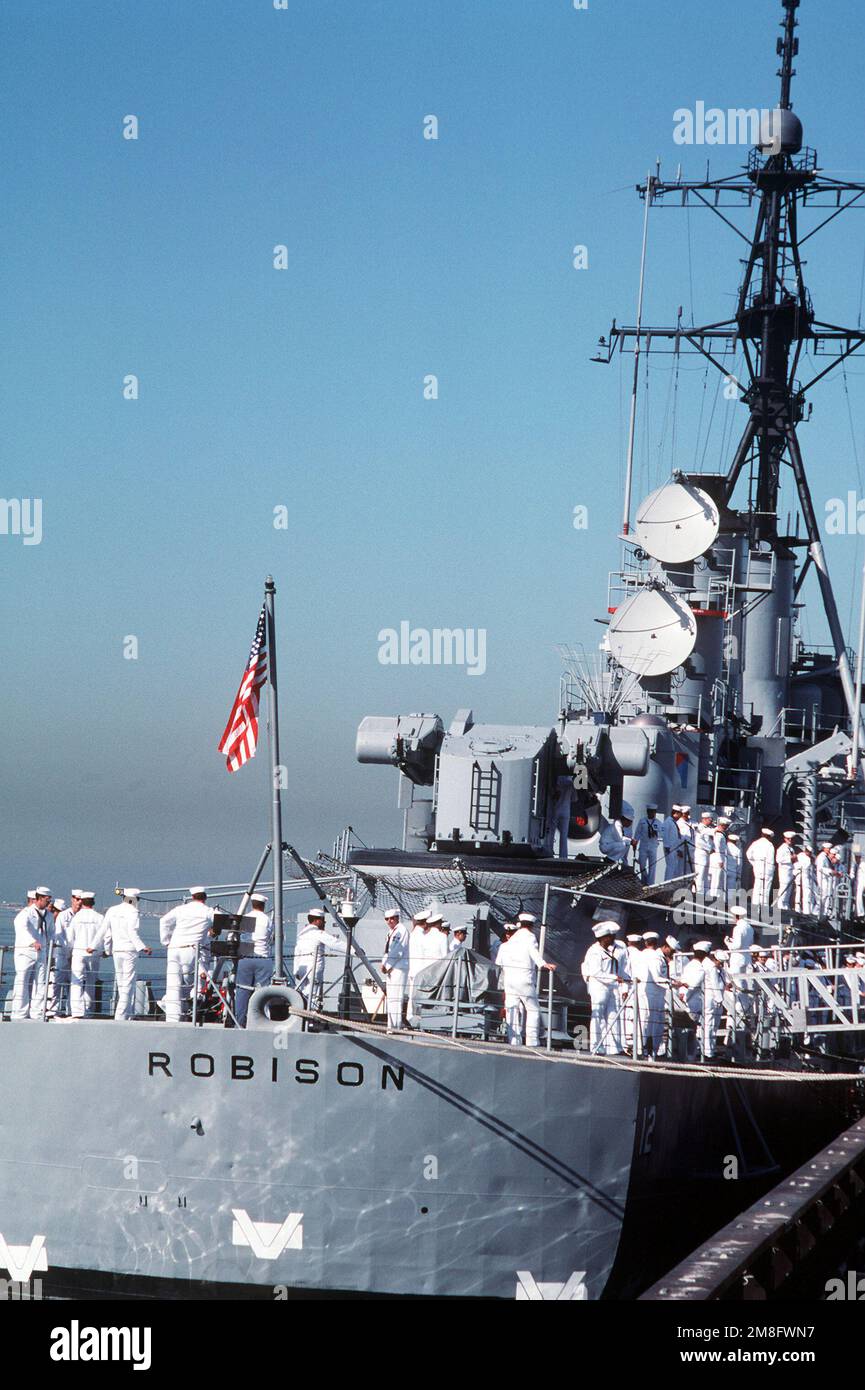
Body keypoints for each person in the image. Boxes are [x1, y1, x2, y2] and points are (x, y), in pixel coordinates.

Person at [495, 916, 556, 1047]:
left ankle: (514, 1040)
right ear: (531, 926)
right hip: (524, 980)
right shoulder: (530, 937)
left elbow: (498, 962)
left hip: (509, 981)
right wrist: (543, 964)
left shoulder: (509, 942)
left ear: (520, 924)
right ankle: (532, 1041)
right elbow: (533, 952)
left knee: (512, 1009)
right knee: (533, 1009)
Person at [159, 887, 216, 1023]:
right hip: (192, 950)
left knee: (173, 985)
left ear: (192, 896)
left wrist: (166, 941)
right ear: (205, 897)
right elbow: (223, 922)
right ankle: (194, 1011)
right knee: (194, 981)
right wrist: (213, 932)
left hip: (174, 949)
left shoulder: (180, 909)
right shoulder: (208, 912)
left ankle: (173, 1019)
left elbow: (164, 921)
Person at [102, 889, 152, 1020]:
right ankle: (120, 1016)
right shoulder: (133, 912)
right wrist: (143, 947)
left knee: (121, 983)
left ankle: (128, 1013)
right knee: (128, 983)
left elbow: (107, 932)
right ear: (134, 900)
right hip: (129, 950)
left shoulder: (112, 910)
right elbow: (132, 932)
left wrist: (107, 950)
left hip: (117, 950)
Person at [581, 922, 626, 1055]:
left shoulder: (610, 949)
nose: (613, 938)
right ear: (603, 937)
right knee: (598, 1017)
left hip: (611, 987)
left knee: (613, 1016)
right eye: (610, 936)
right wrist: (614, 978)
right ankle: (596, 1046)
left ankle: (614, 1047)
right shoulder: (594, 951)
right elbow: (596, 972)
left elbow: (618, 969)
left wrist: (626, 980)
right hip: (598, 987)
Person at [11, 886, 52, 1020]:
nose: (49, 902)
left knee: (40, 983)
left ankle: (36, 1012)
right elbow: (21, 928)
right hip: (26, 952)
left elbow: (51, 932)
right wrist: (32, 941)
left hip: (42, 952)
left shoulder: (49, 915)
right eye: (47, 899)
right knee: (22, 981)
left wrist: (51, 945)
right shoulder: (26, 913)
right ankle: (19, 1012)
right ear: (39, 898)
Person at [292, 906, 342, 1011]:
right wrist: (354, 950)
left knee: (303, 994)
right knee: (314, 995)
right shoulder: (319, 934)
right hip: (314, 970)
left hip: (302, 969)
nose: (324, 923)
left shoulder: (302, 935)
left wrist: (295, 970)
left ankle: (303, 1017)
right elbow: (335, 943)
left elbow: (297, 952)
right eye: (323, 921)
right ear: (318, 920)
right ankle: (310, 1020)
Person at [235, 893, 274, 1027]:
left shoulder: (246, 918)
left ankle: (239, 1022)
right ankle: (262, 1023)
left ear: (252, 904)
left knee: (242, 991)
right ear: (263, 905)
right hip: (262, 958)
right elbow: (271, 938)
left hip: (245, 958)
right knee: (263, 992)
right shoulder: (267, 919)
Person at [68, 892, 106, 1019]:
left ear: (82, 902)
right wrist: (104, 950)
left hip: (78, 952)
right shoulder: (99, 917)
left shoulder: (76, 917)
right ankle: (88, 1009)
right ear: (93, 902)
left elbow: (70, 938)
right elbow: (105, 936)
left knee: (76, 981)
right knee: (91, 981)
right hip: (94, 953)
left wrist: (69, 951)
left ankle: (77, 1011)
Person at [636, 931, 668, 1058]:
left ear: (645, 942)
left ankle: (640, 1049)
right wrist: (671, 983)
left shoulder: (640, 955)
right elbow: (657, 977)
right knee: (655, 1023)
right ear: (656, 943)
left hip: (640, 990)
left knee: (642, 1020)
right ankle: (652, 1050)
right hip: (654, 993)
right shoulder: (655, 956)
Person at [380, 907, 410, 1033]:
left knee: (396, 998)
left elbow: (397, 951)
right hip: (391, 968)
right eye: (387, 919)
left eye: (392, 918)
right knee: (391, 998)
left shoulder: (402, 931)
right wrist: (384, 964)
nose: (390, 921)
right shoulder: (391, 932)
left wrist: (386, 965)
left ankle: (396, 1027)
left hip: (398, 968)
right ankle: (390, 1026)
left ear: (397, 918)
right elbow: (388, 951)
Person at [746, 828, 776, 911]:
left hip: (757, 867)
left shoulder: (755, 843)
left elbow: (748, 854)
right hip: (767, 868)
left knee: (757, 887)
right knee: (765, 889)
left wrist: (754, 863)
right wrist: (772, 869)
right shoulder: (770, 845)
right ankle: (763, 908)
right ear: (769, 837)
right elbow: (771, 860)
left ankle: (754, 907)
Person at [633, 805, 661, 886]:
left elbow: (662, 833)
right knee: (642, 864)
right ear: (647, 812)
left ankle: (650, 883)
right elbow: (638, 833)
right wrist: (635, 841)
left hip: (653, 846)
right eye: (650, 811)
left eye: (653, 812)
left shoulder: (658, 823)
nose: (652, 813)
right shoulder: (642, 821)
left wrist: (656, 833)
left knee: (652, 866)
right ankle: (644, 880)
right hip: (643, 846)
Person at [693, 812, 715, 899]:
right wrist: (709, 848)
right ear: (705, 819)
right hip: (701, 853)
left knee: (705, 874)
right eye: (710, 820)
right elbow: (698, 842)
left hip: (706, 854)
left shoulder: (707, 828)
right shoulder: (700, 828)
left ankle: (705, 893)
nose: (711, 821)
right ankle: (698, 892)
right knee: (700, 873)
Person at [815, 842, 838, 918]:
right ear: (824, 848)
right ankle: (819, 913)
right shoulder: (821, 857)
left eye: (829, 849)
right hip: (822, 879)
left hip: (826, 879)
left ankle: (823, 913)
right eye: (827, 848)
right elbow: (821, 868)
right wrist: (831, 871)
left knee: (826, 896)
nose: (828, 850)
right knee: (823, 897)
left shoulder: (825, 857)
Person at [708, 818, 729, 901]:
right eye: (726, 826)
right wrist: (720, 860)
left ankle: (715, 894)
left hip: (719, 857)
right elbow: (717, 847)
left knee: (718, 878)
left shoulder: (721, 834)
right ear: (723, 825)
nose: (726, 828)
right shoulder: (719, 835)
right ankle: (714, 895)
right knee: (716, 877)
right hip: (717, 858)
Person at [775, 830, 797, 912]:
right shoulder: (782, 848)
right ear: (785, 839)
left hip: (790, 872)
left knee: (788, 891)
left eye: (791, 839)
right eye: (788, 839)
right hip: (784, 872)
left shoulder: (791, 849)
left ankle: (785, 907)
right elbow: (778, 859)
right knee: (783, 890)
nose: (790, 840)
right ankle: (780, 907)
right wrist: (790, 858)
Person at [662, 805, 683, 881]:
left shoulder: (673, 823)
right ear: (675, 813)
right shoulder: (668, 822)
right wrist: (667, 846)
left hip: (674, 849)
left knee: (674, 868)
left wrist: (678, 849)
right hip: (669, 848)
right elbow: (665, 835)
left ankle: (670, 885)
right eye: (680, 814)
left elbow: (676, 837)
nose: (680, 816)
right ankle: (667, 885)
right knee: (670, 868)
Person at [795, 843, 817, 915]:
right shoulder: (801, 856)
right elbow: (801, 866)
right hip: (800, 876)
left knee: (807, 894)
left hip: (807, 878)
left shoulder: (811, 858)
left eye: (810, 852)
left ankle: (806, 910)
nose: (808, 853)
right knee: (799, 893)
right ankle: (798, 909)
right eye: (807, 851)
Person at [725, 833, 742, 904]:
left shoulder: (725, 847)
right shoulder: (738, 850)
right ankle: (729, 903)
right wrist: (738, 875)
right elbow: (739, 864)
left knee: (722, 888)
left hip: (724, 870)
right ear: (735, 841)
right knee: (731, 889)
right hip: (733, 872)